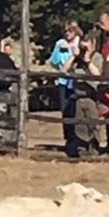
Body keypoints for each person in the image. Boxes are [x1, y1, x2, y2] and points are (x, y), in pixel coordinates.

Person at [61, 37, 103, 157]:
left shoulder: (97, 57)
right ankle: (82, 148)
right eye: (82, 46)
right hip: (78, 96)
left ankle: (94, 148)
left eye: (87, 46)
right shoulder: (77, 60)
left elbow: (97, 74)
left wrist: (88, 61)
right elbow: (64, 70)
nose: (84, 49)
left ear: (93, 45)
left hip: (92, 96)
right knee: (80, 125)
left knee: (93, 124)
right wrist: (74, 56)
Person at [49, 21, 83, 155]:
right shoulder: (60, 43)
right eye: (66, 31)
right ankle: (69, 139)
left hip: (76, 81)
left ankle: (78, 139)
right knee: (65, 110)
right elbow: (53, 62)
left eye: (71, 31)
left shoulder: (80, 44)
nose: (68, 34)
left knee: (77, 109)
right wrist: (58, 50)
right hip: (64, 82)